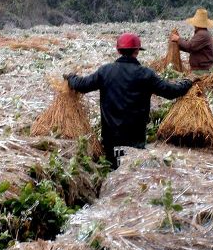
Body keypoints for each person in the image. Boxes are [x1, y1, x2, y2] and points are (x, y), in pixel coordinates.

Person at [64, 33, 192, 169]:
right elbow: (171, 92)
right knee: (131, 174)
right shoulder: (146, 74)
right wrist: (188, 82)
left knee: (112, 171)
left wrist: (70, 78)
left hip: (110, 140)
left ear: (118, 50)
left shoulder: (105, 71)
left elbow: (82, 85)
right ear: (137, 51)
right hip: (135, 141)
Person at [170, 8, 213, 74]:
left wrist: (178, 39)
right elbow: (192, 48)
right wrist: (178, 44)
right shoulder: (202, 33)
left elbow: (190, 46)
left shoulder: (202, 34)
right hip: (200, 69)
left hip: (201, 71)